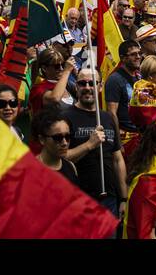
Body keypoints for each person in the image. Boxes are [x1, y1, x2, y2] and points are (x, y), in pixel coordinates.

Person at [63, 67, 128, 213]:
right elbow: (61, 158)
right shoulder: (65, 118)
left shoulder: (107, 118)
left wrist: (124, 198)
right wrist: (89, 145)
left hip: (109, 200)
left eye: (92, 83)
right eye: (82, 83)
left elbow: (117, 159)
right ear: (76, 86)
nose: (87, 87)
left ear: (100, 86)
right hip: (77, 200)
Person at [32, 108, 80, 186]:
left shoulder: (70, 167)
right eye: (58, 138)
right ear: (42, 139)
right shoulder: (31, 171)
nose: (64, 143)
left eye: (67, 136)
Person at [105, 39, 142, 136]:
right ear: (123, 58)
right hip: (126, 136)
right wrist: (118, 143)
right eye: (133, 54)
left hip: (141, 133)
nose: (138, 57)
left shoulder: (140, 76)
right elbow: (112, 113)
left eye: (139, 53)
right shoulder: (114, 80)